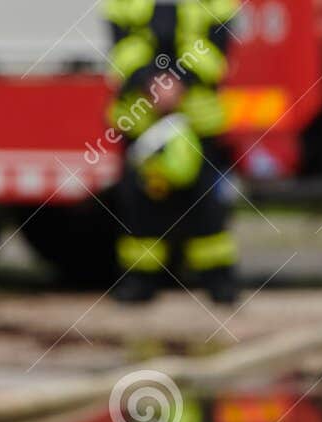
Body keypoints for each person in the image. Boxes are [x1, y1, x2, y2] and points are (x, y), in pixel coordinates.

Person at [103, 0, 240, 304]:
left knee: (205, 204)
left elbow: (218, 48)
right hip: (140, 116)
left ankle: (219, 279)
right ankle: (139, 280)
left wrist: (181, 81)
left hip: (197, 116)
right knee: (139, 202)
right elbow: (119, 47)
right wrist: (148, 80)